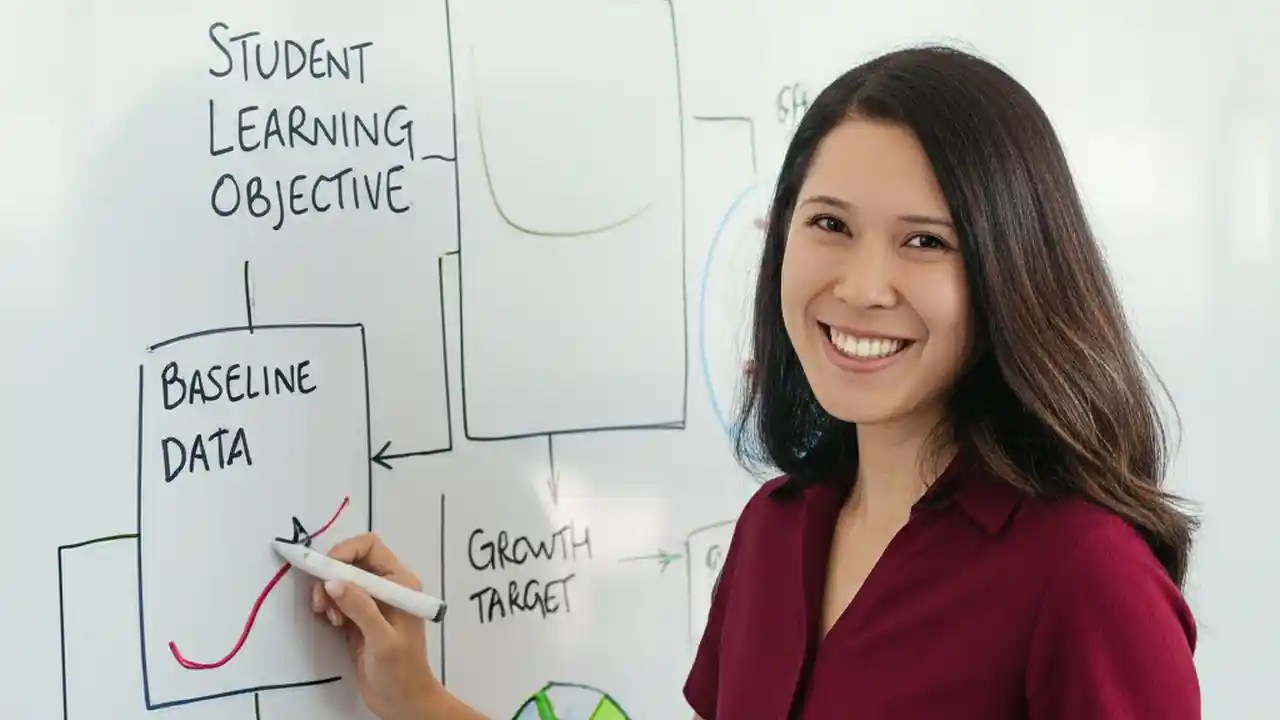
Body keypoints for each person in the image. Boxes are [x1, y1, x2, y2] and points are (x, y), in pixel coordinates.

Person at [308, 44, 1201, 719]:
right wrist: (417, 696)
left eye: (926, 241)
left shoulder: (1084, 576)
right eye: (829, 224)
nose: (859, 285)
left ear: (1014, 272)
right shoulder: (776, 532)